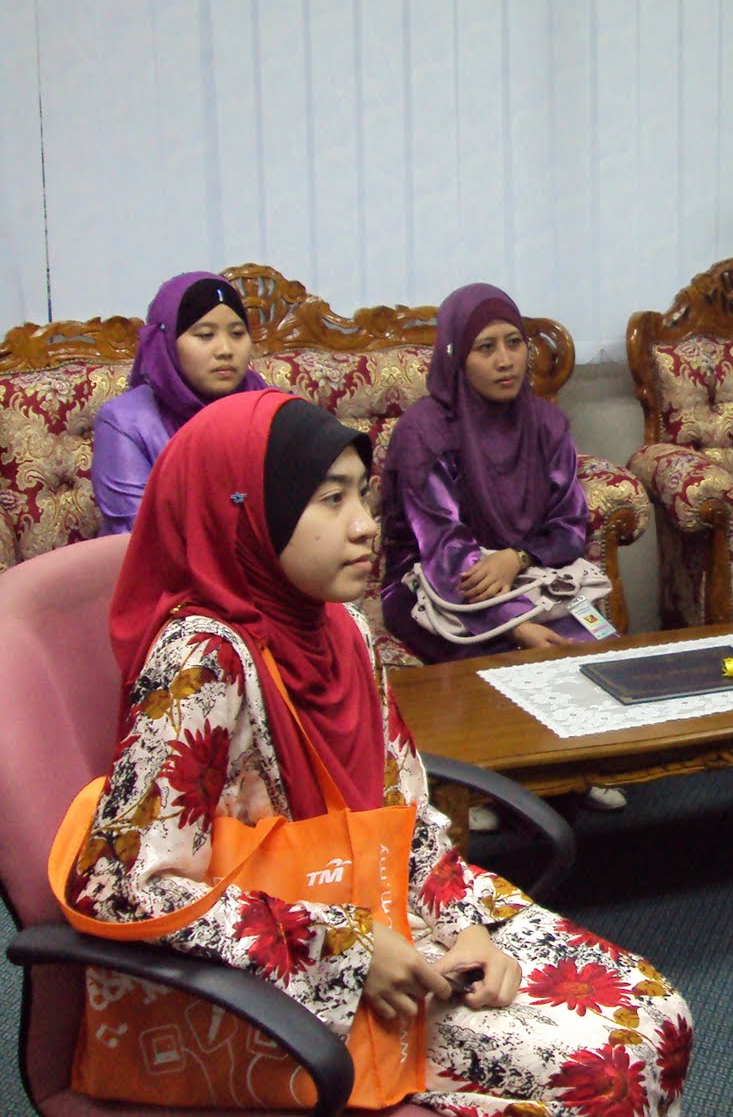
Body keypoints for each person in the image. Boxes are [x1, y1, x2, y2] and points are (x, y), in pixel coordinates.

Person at [65, 389, 692, 1113]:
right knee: (604, 1071)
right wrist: (346, 950)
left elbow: (406, 811)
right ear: (244, 510)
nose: (366, 528)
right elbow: (124, 882)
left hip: (385, 907)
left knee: (659, 1018)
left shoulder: (341, 630)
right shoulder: (202, 660)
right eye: (331, 501)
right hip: (282, 975)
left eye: (363, 496)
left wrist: (468, 931)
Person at [381, 282, 625, 811]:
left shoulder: (546, 423)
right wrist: (514, 626)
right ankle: (489, 792)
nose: (505, 360)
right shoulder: (423, 433)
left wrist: (518, 556)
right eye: (485, 347)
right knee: (504, 651)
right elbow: (441, 547)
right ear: (454, 357)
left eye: (514, 343)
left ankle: (576, 768)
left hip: (524, 572)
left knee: (593, 638)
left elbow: (569, 525)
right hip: (428, 583)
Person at [92, 271, 267, 534]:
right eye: (205, 335)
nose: (225, 350)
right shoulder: (124, 423)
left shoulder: (271, 406)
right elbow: (139, 538)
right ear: (166, 343)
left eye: (237, 333)